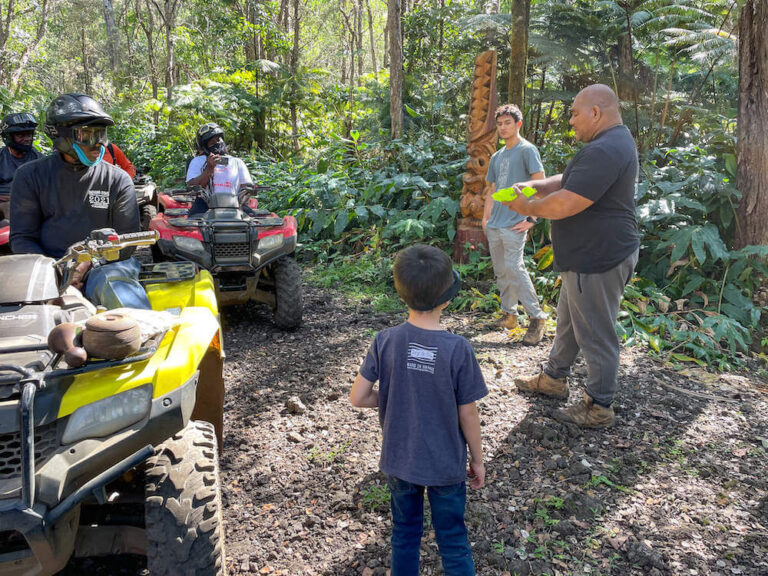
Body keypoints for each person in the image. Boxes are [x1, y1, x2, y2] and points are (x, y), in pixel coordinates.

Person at [502, 84, 640, 428]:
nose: (571, 122)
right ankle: (553, 378)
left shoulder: (605, 148)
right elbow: (574, 180)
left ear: (596, 112)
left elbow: (568, 202)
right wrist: (538, 186)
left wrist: (526, 206)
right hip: (588, 257)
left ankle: (599, 406)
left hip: (597, 258)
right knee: (568, 323)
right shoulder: (611, 143)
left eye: (575, 114)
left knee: (595, 331)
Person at [350, 244, 487, 576]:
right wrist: (478, 459)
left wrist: (396, 397)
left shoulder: (385, 340)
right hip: (445, 466)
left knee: (405, 535)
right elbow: (467, 413)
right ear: (447, 298)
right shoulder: (458, 349)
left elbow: (358, 397)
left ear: (402, 295)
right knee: (453, 540)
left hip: (400, 461)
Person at [10, 93, 150, 309]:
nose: (99, 144)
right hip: (49, 266)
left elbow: (126, 242)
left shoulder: (117, 179)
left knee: (114, 283)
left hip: (107, 265)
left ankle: (141, 337)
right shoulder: (30, 176)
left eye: (101, 134)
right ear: (60, 136)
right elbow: (22, 238)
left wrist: (88, 263)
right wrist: (56, 270)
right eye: (87, 134)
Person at [482, 103, 548, 345]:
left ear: (518, 124)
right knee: (501, 269)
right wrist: (485, 218)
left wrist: (533, 219)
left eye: (507, 123)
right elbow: (491, 189)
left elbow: (541, 185)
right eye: (499, 124)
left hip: (515, 222)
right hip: (495, 223)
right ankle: (509, 314)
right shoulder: (497, 157)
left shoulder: (527, 150)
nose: (503, 127)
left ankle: (537, 318)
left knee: (515, 267)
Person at [185, 122, 252, 214]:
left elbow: (247, 188)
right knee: (192, 224)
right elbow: (191, 186)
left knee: (254, 221)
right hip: (204, 206)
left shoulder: (237, 162)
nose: (217, 143)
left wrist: (240, 203)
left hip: (235, 205)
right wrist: (209, 168)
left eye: (219, 140)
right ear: (205, 146)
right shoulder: (197, 161)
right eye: (212, 142)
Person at [0, 113, 43, 199]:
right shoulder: (1, 157)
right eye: (20, 135)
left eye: (29, 134)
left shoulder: (39, 159)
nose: (27, 139)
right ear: (8, 136)